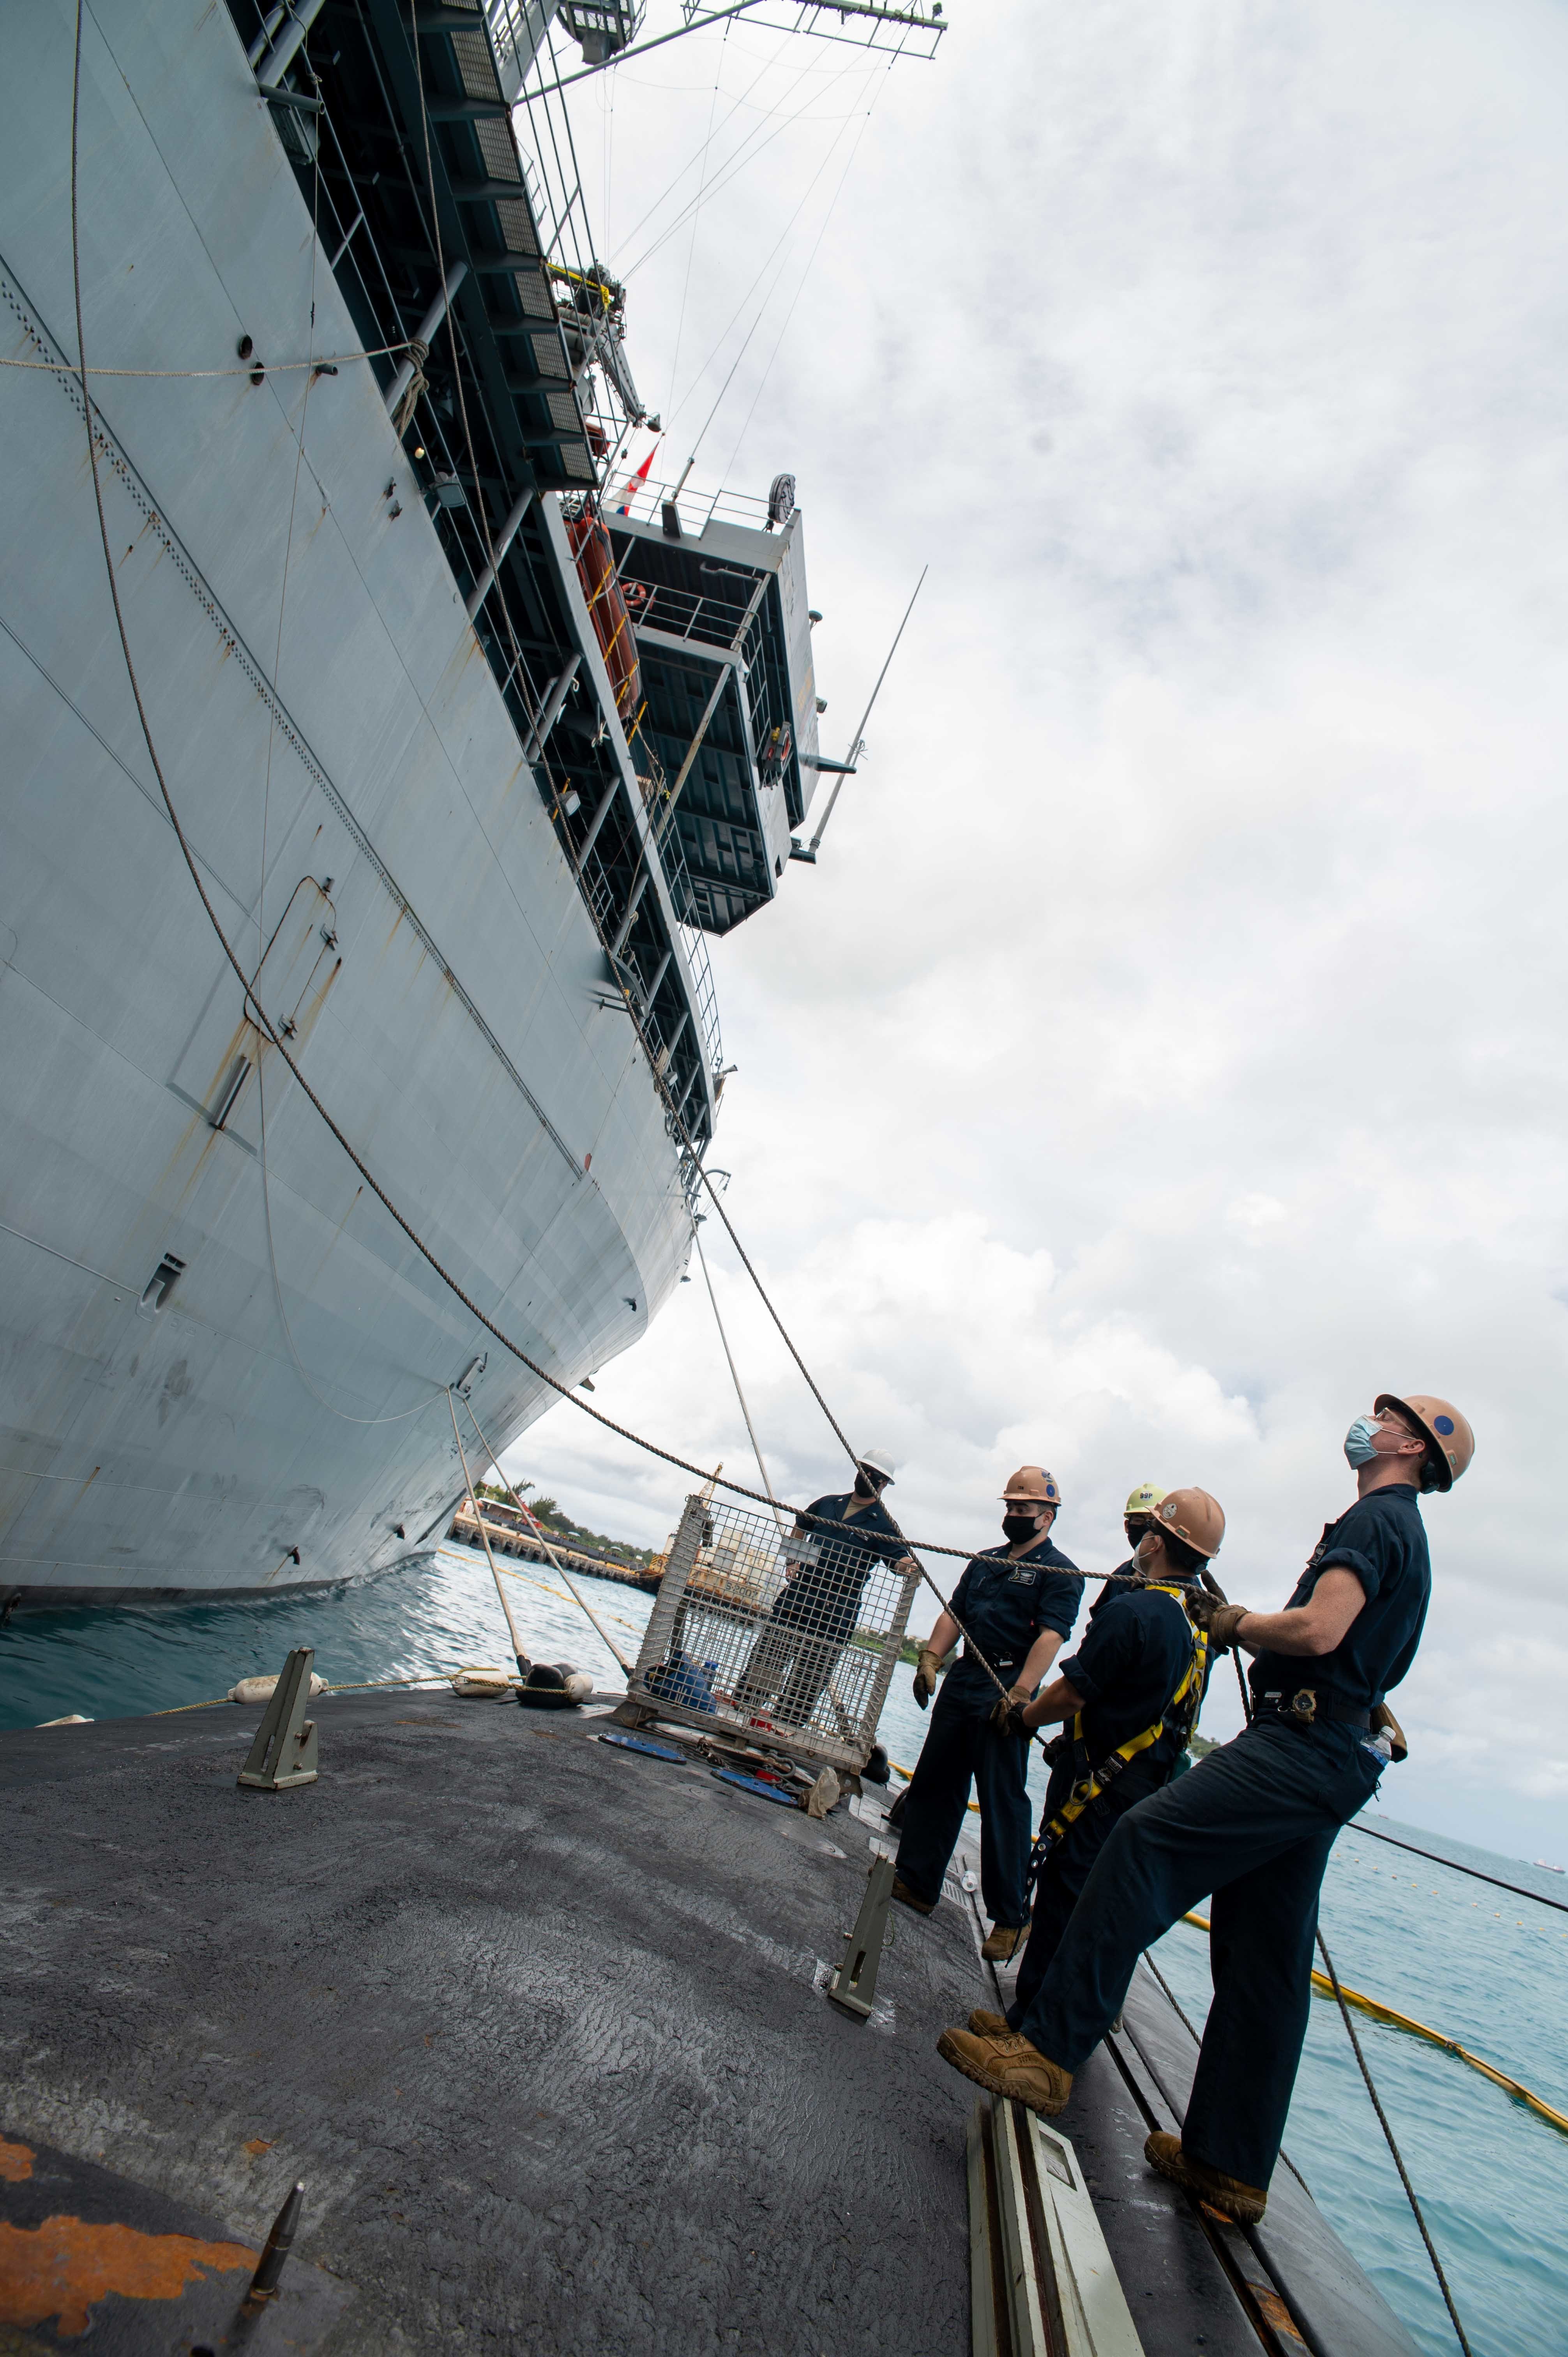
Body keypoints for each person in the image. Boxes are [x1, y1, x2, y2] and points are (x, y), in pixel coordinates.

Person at [934, 1394, 1473, 2229]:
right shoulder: (1411, 1539)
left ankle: (1045, 2051)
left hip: (1296, 1742)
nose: (1364, 1425)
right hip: (1338, 1756)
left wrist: (1238, 1622)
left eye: (1381, 1418)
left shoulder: (1371, 1523)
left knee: (1142, 1842)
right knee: (1265, 1959)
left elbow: (1322, 1630)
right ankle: (1228, 2164)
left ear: (1405, 1446)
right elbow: (1366, 1654)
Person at [965, 1486, 1221, 2033]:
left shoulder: (1138, 1609)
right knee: (1092, 1901)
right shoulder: (1195, 1621)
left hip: (1101, 1783)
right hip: (1141, 1776)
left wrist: (1024, 1717)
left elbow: (1075, 1691)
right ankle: (1034, 2018)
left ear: (1155, 1542)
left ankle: (1031, 2028)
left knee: (1064, 1898)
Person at [892, 1469, 1083, 1963]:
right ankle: (917, 1881)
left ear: (1047, 1517)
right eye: (1010, 1507)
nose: (1013, 1516)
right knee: (936, 1783)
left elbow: (1051, 1636)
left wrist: (1021, 1694)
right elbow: (954, 1613)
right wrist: (932, 1658)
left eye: (1022, 1510)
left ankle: (1011, 1918)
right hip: (964, 1680)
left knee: (1003, 1803)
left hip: (1005, 1689)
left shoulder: (1061, 1572)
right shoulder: (984, 1561)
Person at [735, 1447, 916, 1729]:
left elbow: (898, 1559)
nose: (868, 1477)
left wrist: (910, 1567)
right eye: (865, 1471)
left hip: (836, 1612)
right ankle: (741, 1708)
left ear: (883, 1485)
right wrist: (793, 1560)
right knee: (768, 1656)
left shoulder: (882, 1524)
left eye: (875, 1476)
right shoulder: (828, 1504)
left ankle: (785, 1727)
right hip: (798, 1596)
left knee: (809, 1677)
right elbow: (801, 1524)